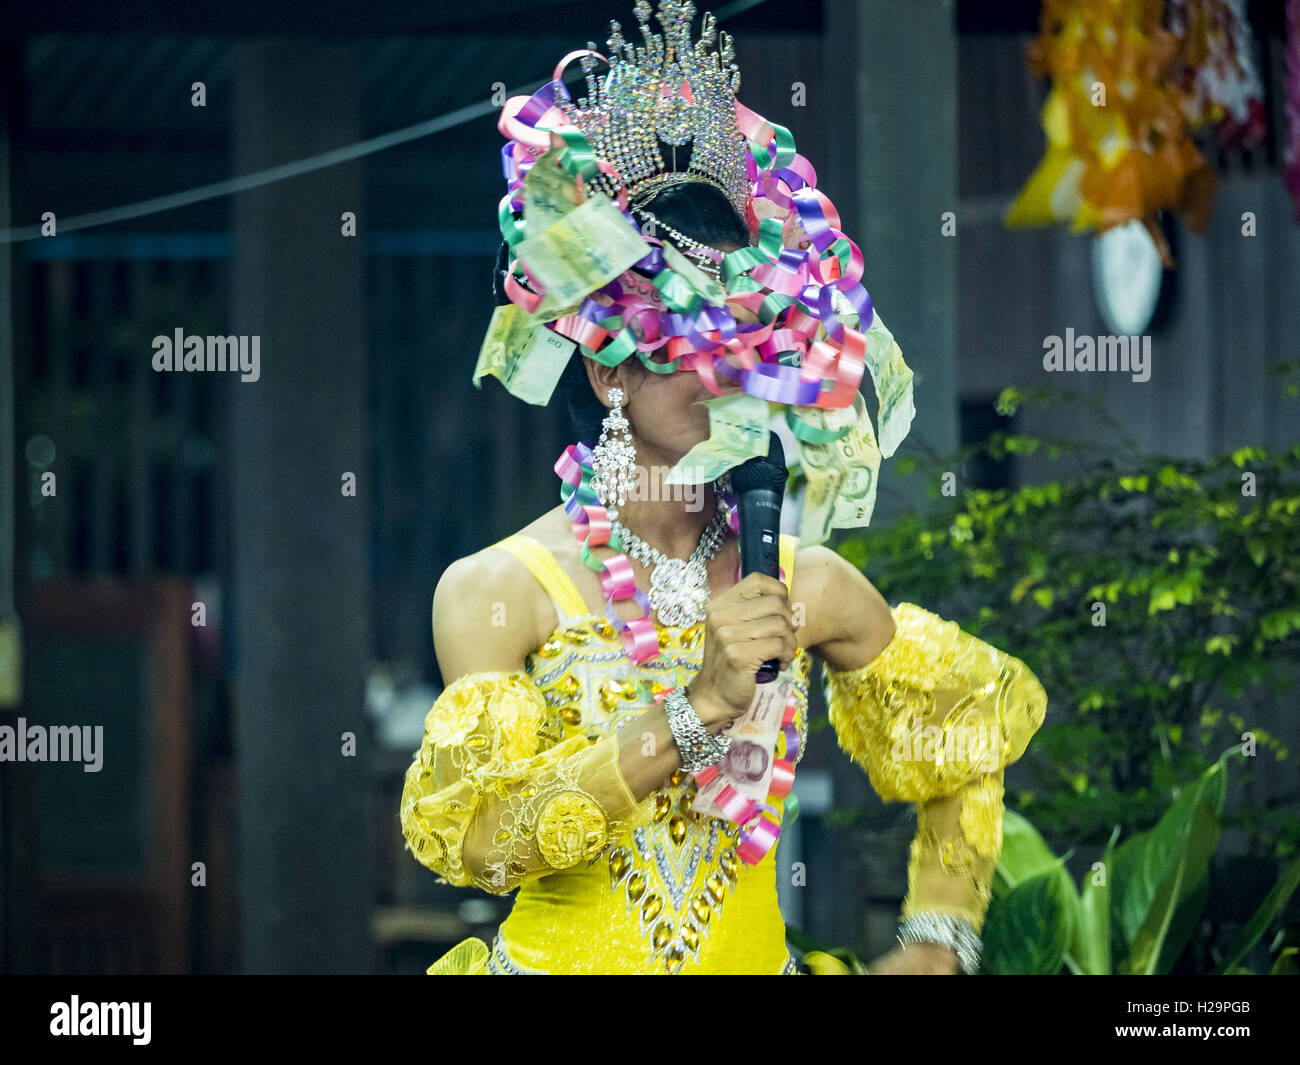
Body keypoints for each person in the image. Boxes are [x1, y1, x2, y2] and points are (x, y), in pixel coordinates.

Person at [399, 1, 1047, 975]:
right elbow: (490, 838)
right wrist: (696, 707)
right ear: (607, 368)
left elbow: (966, 733)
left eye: (745, 342)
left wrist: (936, 937)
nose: (723, 372)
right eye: (688, 345)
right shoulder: (499, 588)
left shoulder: (803, 582)